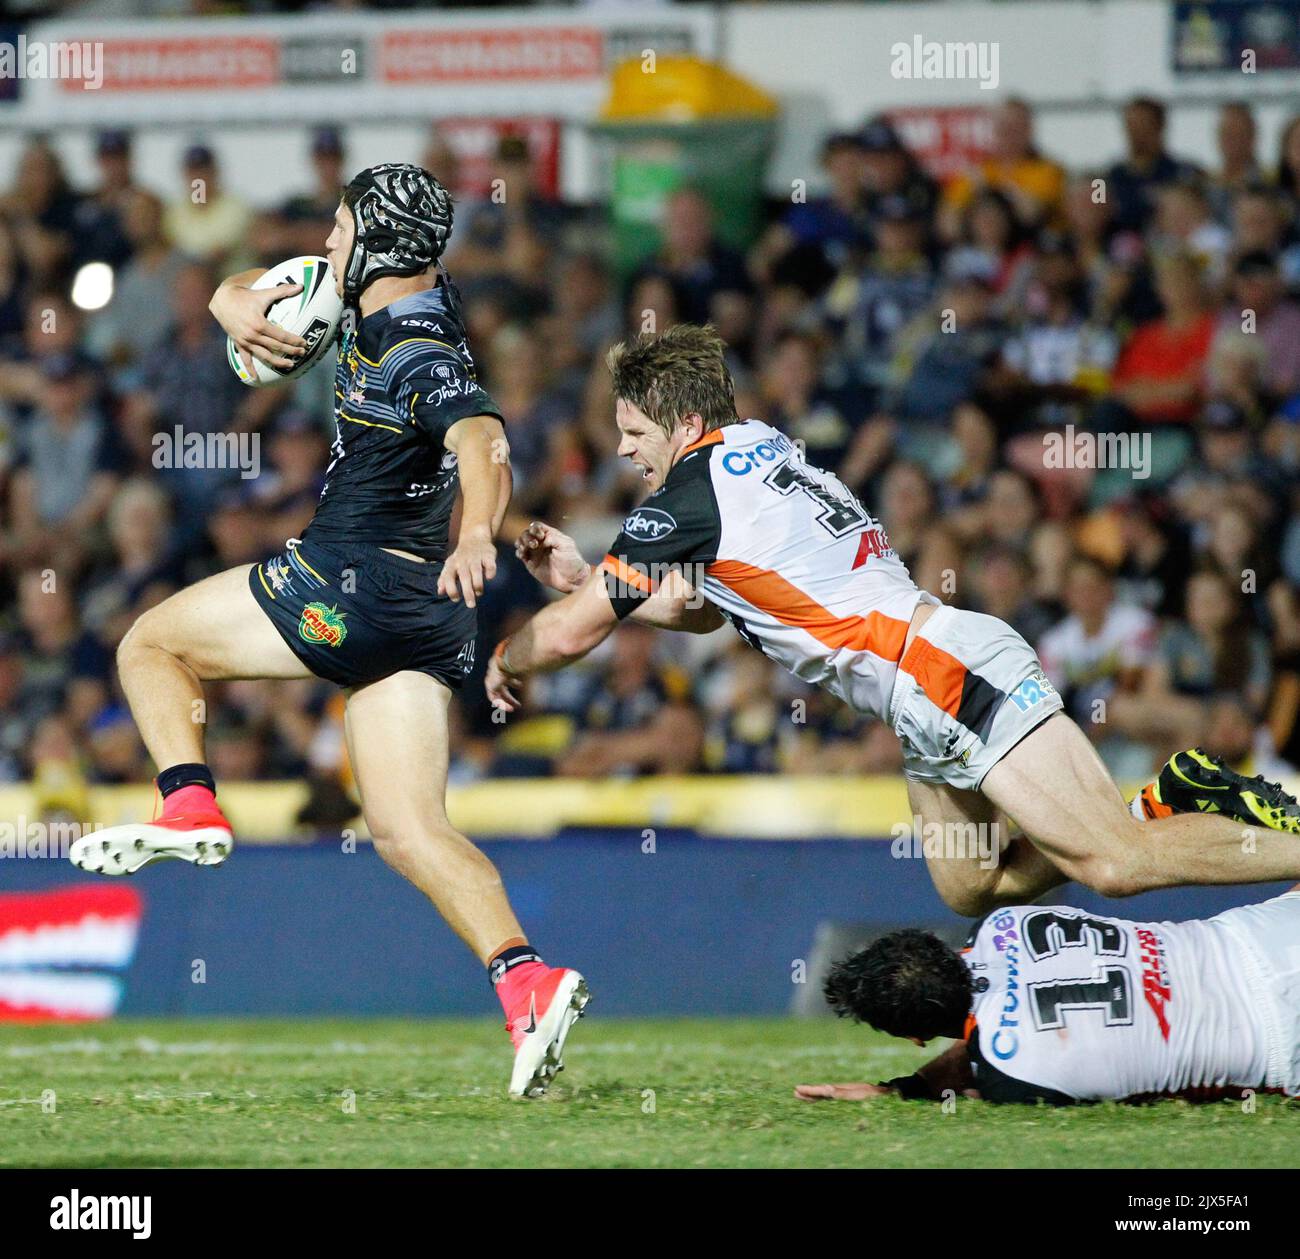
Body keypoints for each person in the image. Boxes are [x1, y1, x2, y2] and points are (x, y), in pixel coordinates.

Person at [485, 324, 1300, 922]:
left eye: (633, 431)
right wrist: (592, 579)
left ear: (683, 424)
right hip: (921, 688)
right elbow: (705, 609)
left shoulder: (692, 495)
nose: (625, 450)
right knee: (970, 884)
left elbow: (566, 637)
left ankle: (1203, 830)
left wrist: (505, 656)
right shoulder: (761, 448)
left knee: (1117, 867)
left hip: (940, 671)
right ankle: (1167, 802)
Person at [68, 164, 587, 1099]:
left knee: (148, 642)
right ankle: (527, 980)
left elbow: (482, 439)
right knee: (406, 827)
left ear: (379, 245)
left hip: (343, 584)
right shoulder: (409, 289)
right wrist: (232, 306)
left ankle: (187, 800)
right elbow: (250, 285)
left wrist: (482, 528)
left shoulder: (408, 344)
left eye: (344, 228)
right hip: (428, 613)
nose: (330, 241)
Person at [795, 889, 1300, 1104]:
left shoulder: (1013, 1076)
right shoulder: (1006, 921)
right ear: (938, 943)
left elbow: (996, 1042)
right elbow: (1001, 1010)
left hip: (1279, 1041)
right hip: (1255, 932)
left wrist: (906, 1091)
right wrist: (912, 1087)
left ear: (915, 1035)